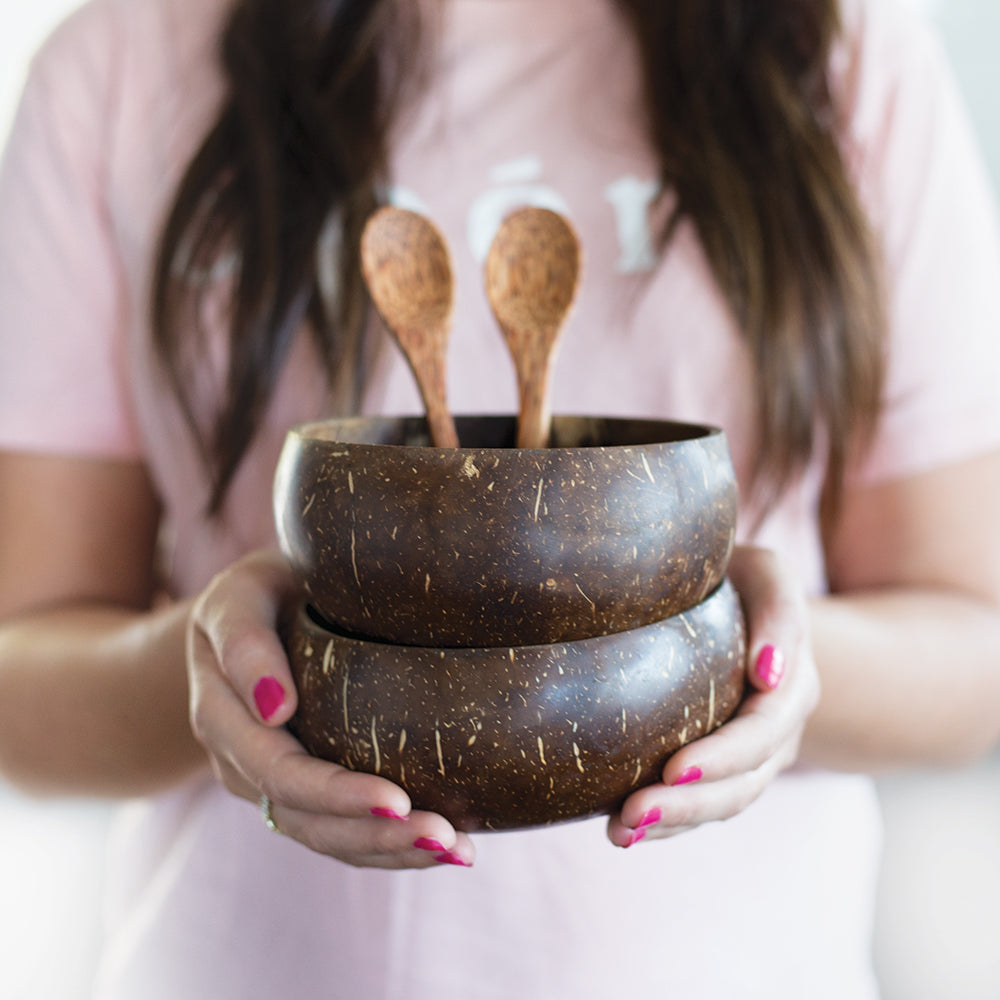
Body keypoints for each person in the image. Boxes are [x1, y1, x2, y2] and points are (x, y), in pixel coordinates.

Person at [1, 0, 999, 996]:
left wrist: (754, 656)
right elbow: (23, 677)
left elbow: (973, 647)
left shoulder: (844, 56)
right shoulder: (120, 62)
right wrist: (228, 665)